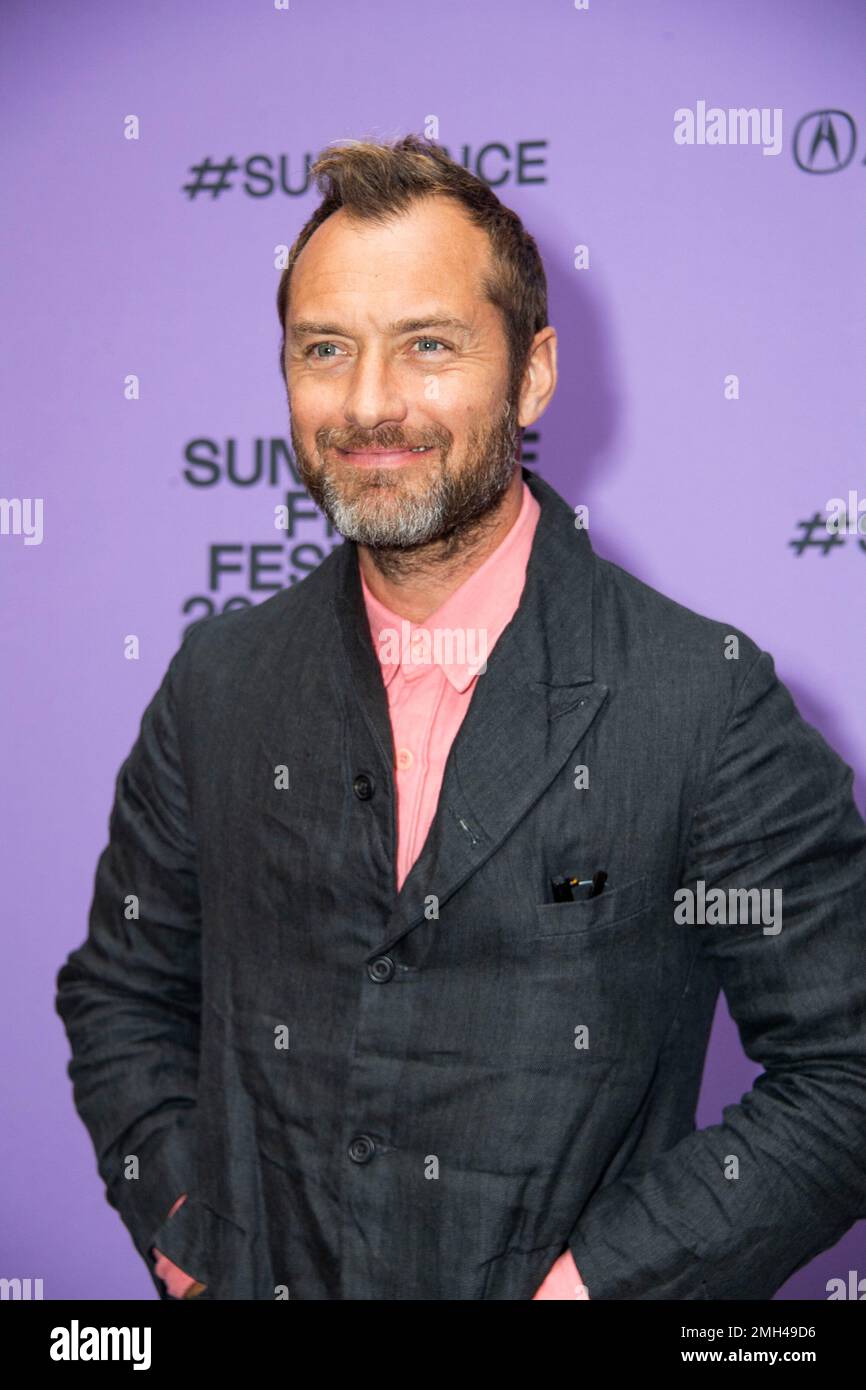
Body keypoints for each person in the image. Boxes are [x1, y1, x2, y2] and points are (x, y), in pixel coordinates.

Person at [56, 134, 866, 1300]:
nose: (369, 403)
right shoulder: (217, 679)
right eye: (324, 349)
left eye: (427, 346)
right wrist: (187, 1222)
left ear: (531, 373)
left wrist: (598, 1289)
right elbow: (122, 991)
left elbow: (844, 1070)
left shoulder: (702, 699)